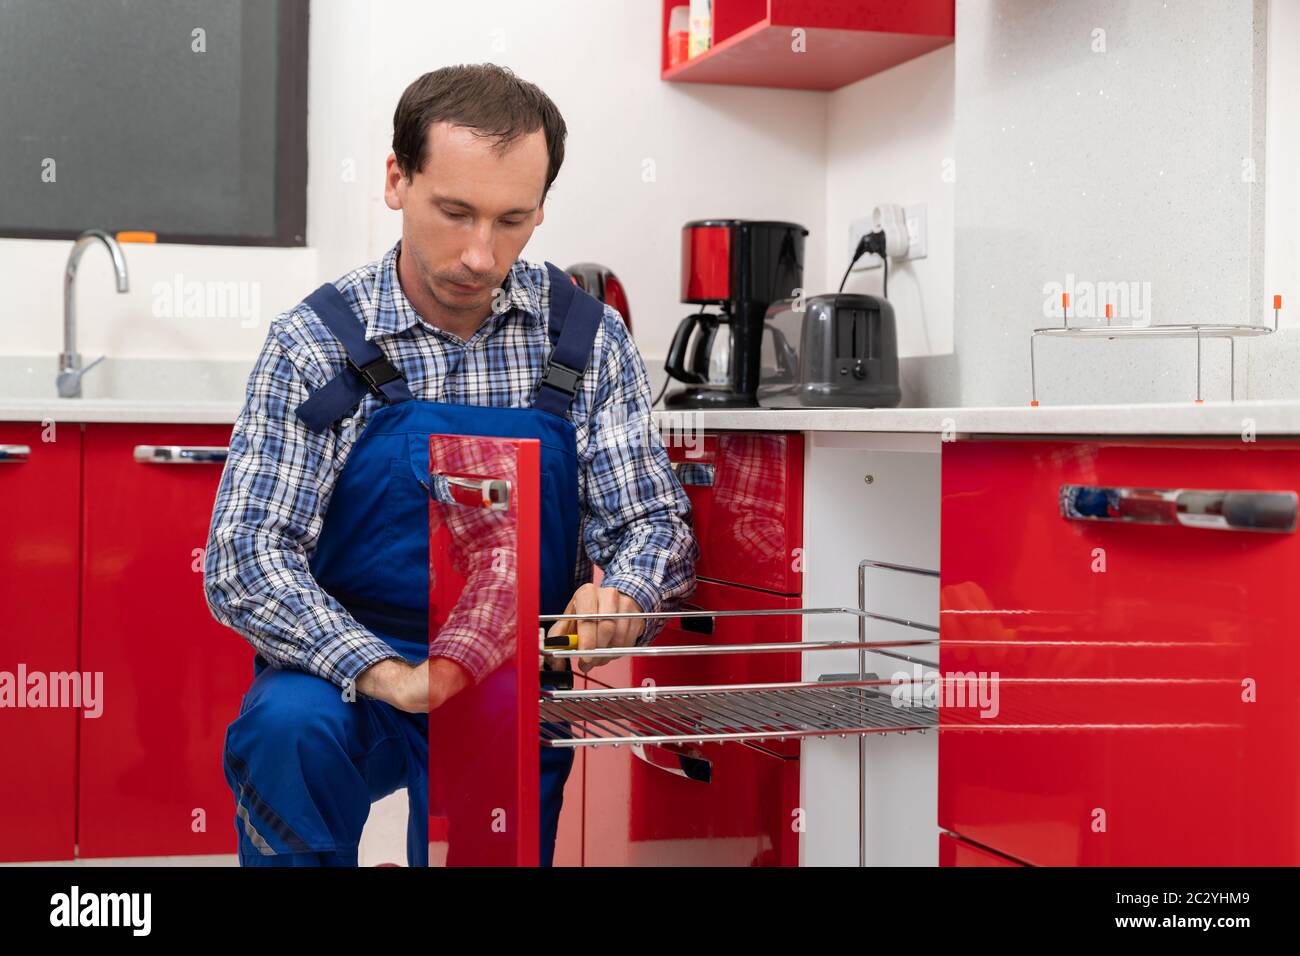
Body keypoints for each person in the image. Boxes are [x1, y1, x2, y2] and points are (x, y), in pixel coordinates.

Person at [203, 62, 698, 867]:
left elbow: (654, 526)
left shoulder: (589, 340)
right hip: (348, 670)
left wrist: (624, 598)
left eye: (512, 220)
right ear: (398, 180)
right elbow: (245, 559)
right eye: (455, 211)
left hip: (511, 678)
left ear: (542, 209)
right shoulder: (315, 343)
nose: (479, 254)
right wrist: (387, 672)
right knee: (287, 730)